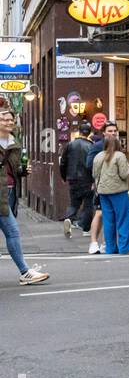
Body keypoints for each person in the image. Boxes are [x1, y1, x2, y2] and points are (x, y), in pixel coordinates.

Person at [0, 108, 48, 285]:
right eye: (4, 119)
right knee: (12, 231)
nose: (8, 122)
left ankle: (25, 272)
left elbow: (12, 169)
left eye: (10, 119)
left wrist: (21, 171)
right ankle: (25, 272)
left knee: (12, 231)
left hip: (9, 192)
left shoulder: (14, 142)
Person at [91, 133, 129, 255]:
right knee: (123, 220)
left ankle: (110, 248)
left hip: (103, 192)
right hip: (118, 191)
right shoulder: (119, 156)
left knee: (108, 221)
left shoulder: (98, 156)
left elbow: (94, 174)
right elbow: (124, 174)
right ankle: (125, 247)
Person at [85, 121, 122, 255]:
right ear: (104, 133)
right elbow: (89, 165)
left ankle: (107, 243)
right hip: (102, 186)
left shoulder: (117, 147)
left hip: (115, 187)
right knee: (100, 214)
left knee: (111, 215)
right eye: (110, 131)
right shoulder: (98, 146)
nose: (113, 133)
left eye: (115, 131)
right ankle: (93, 243)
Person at [59, 122, 96, 240]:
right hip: (88, 179)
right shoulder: (92, 146)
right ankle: (86, 228)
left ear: (79, 131)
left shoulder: (70, 145)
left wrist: (64, 176)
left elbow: (63, 162)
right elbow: (94, 164)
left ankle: (69, 219)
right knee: (88, 204)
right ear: (89, 133)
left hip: (73, 178)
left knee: (74, 203)